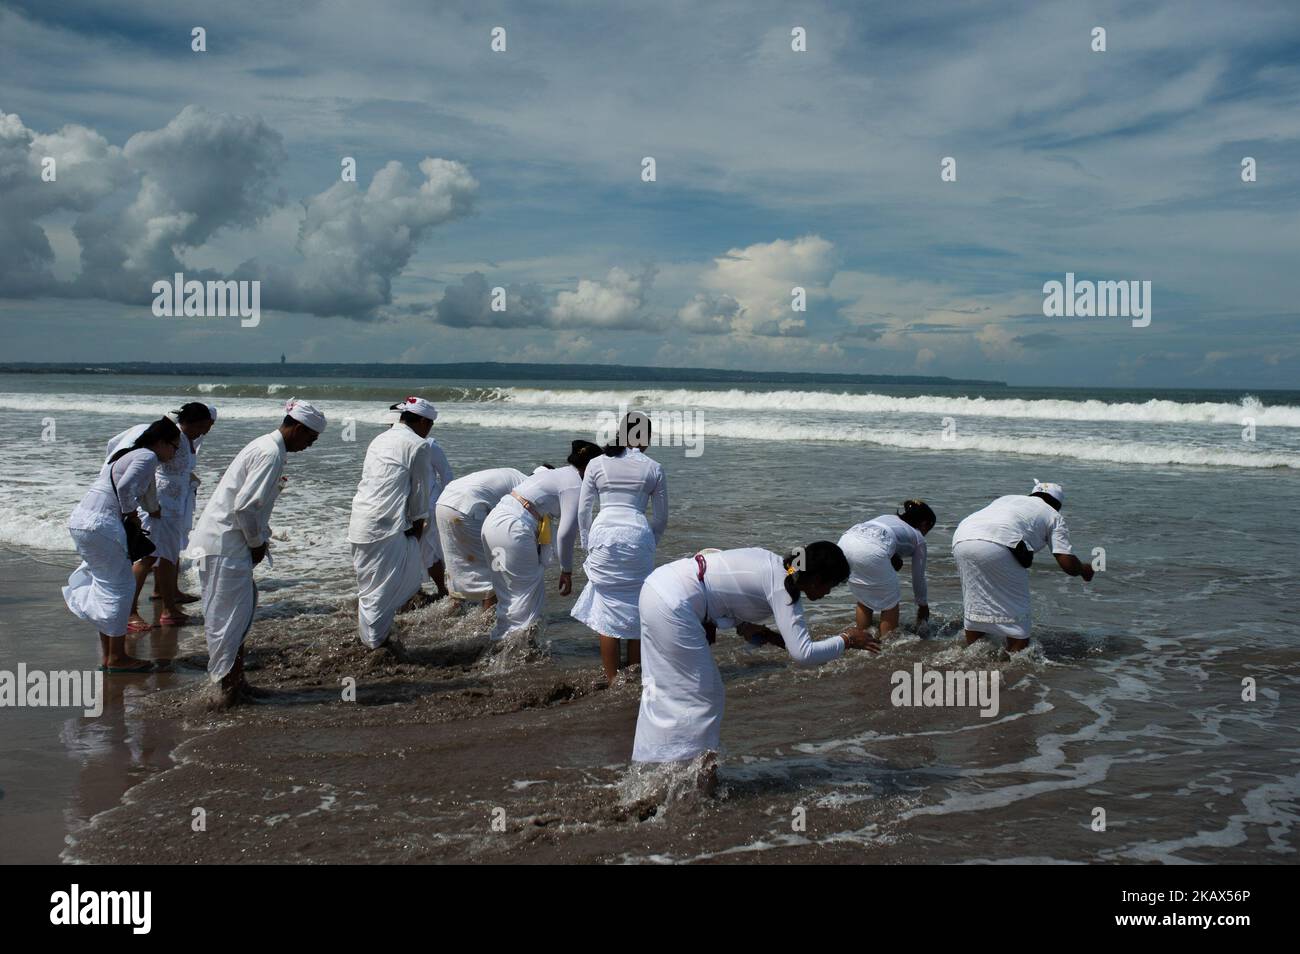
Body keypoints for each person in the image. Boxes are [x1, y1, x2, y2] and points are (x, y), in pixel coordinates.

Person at [632, 543, 877, 778]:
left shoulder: (771, 563)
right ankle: (699, 778)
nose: (827, 594)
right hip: (674, 605)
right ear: (817, 579)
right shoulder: (783, 587)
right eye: (830, 586)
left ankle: (653, 766)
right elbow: (804, 654)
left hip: (658, 587)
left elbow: (713, 562)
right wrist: (847, 639)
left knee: (662, 688)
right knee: (706, 697)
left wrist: (725, 619)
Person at [189, 398, 325, 702]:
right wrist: (257, 544)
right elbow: (247, 508)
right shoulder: (270, 453)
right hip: (226, 544)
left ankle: (235, 683)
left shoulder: (267, 447)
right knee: (227, 620)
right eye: (310, 438)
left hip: (222, 542)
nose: (309, 446)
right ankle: (226, 691)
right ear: (298, 428)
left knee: (236, 616)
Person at [64, 417, 181, 673]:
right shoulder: (147, 456)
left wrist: (151, 511)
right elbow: (126, 486)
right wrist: (131, 515)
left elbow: (146, 494)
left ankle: (110, 654)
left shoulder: (127, 454)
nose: (175, 453)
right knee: (120, 587)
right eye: (174, 446)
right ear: (161, 442)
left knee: (105, 586)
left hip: (83, 520)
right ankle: (117, 657)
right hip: (102, 523)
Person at [571, 412, 668, 683]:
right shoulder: (653, 467)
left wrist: (587, 543)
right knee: (638, 610)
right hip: (638, 537)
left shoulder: (597, 463)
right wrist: (649, 543)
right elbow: (661, 519)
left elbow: (583, 511)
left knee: (607, 610)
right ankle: (635, 676)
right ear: (646, 438)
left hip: (603, 536)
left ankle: (614, 680)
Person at [951, 481, 1093, 653]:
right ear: (1057, 504)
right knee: (1018, 614)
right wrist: (1084, 569)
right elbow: (1067, 564)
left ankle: (972, 655)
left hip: (962, 538)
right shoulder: (1053, 515)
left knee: (976, 602)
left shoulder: (1007, 499)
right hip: (1000, 544)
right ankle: (1015, 662)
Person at [481, 441, 603, 642]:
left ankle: (497, 644)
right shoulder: (575, 485)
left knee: (508, 594)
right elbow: (566, 534)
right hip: (513, 529)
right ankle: (516, 654)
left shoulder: (558, 474)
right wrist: (567, 571)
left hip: (494, 523)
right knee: (527, 597)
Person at [347, 397, 436, 649]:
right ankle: (376, 645)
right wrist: (418, 528)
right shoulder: (418, 445)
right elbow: (419, 494)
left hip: (360, 521)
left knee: (369, 588)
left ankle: (371, 638)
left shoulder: (379, 439)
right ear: (421, 421)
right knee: (383, 591)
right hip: (386, 526)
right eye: (429, 425)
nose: (429, 430)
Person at [136, 403, 215, 627]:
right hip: (159, 506)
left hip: (175, 506)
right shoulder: (172, 436)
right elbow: (148, 467)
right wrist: (150, 504)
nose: (205, 431)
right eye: (204, 426)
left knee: (169, 556)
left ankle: (169, 610)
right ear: (195, 422)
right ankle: (130, 611)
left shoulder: (188, 439)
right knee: (148, 556)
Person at [837, 499, 935, 641]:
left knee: (864, 598)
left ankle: (861, 639)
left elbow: (877, 537)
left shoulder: (887, 518)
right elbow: (918, 578)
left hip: (845, 543)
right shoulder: (918, 537)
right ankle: (887, 646)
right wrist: (923, 605)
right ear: (924, 524)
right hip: (871, 549)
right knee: (890, 603)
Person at [434, 466, 528, 610]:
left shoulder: (512, 474)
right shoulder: (527, 488)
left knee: (457, 567)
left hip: (443, 503)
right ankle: (486, 624)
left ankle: (449, 615)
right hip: (466, 507)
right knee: (494, 572)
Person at [420, 413, 454, 600]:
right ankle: (414, 591)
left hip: (429, 506)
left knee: (431, 548)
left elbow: (447, 475)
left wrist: (445, 504)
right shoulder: (395, 444)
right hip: (408, 507)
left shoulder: (430, 445)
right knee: (413, 550)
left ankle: (444, 590)